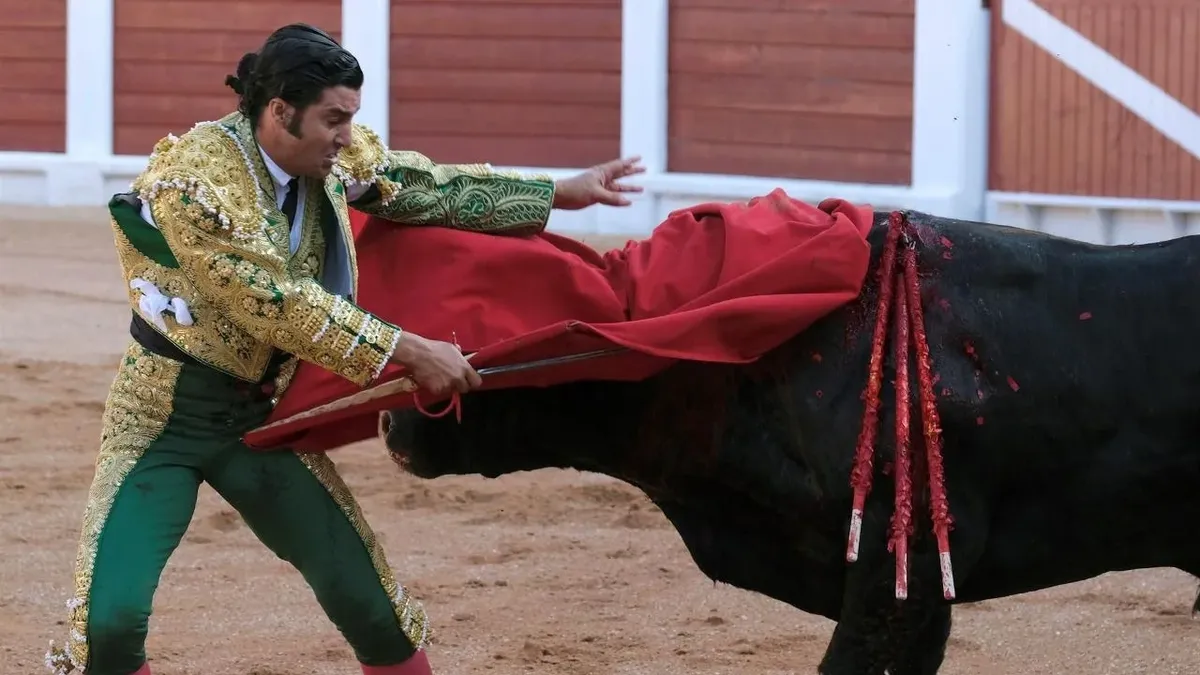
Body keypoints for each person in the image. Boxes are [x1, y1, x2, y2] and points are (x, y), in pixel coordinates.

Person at [45, 22, 644, 675]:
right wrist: (409, 350)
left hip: (263, 420)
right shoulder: (195, 180)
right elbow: (274, 302)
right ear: (280, 112)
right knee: (108, 624)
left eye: (351, 118)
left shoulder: (326, 155)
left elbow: (420, 186)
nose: (347, 137)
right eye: (334, 119)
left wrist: (556, 192)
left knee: (373, 611)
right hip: (159, 421)